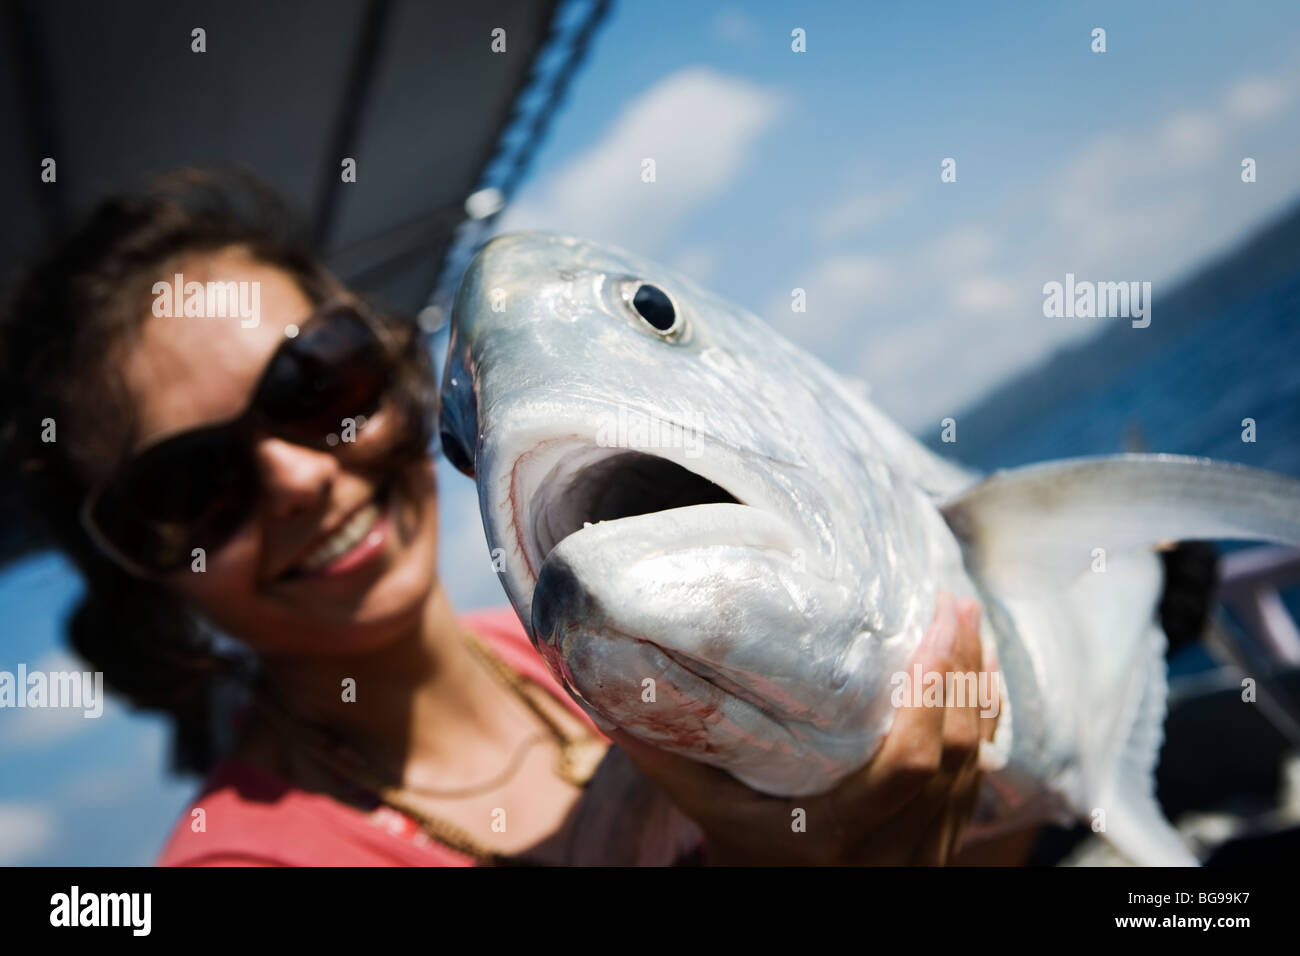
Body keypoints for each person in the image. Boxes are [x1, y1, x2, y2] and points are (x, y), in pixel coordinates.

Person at [0, 168, 1000, 866]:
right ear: (145, 572)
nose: (299, 477)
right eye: (191, 485)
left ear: (404, 378)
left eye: (317, 379)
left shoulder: (633, 625)